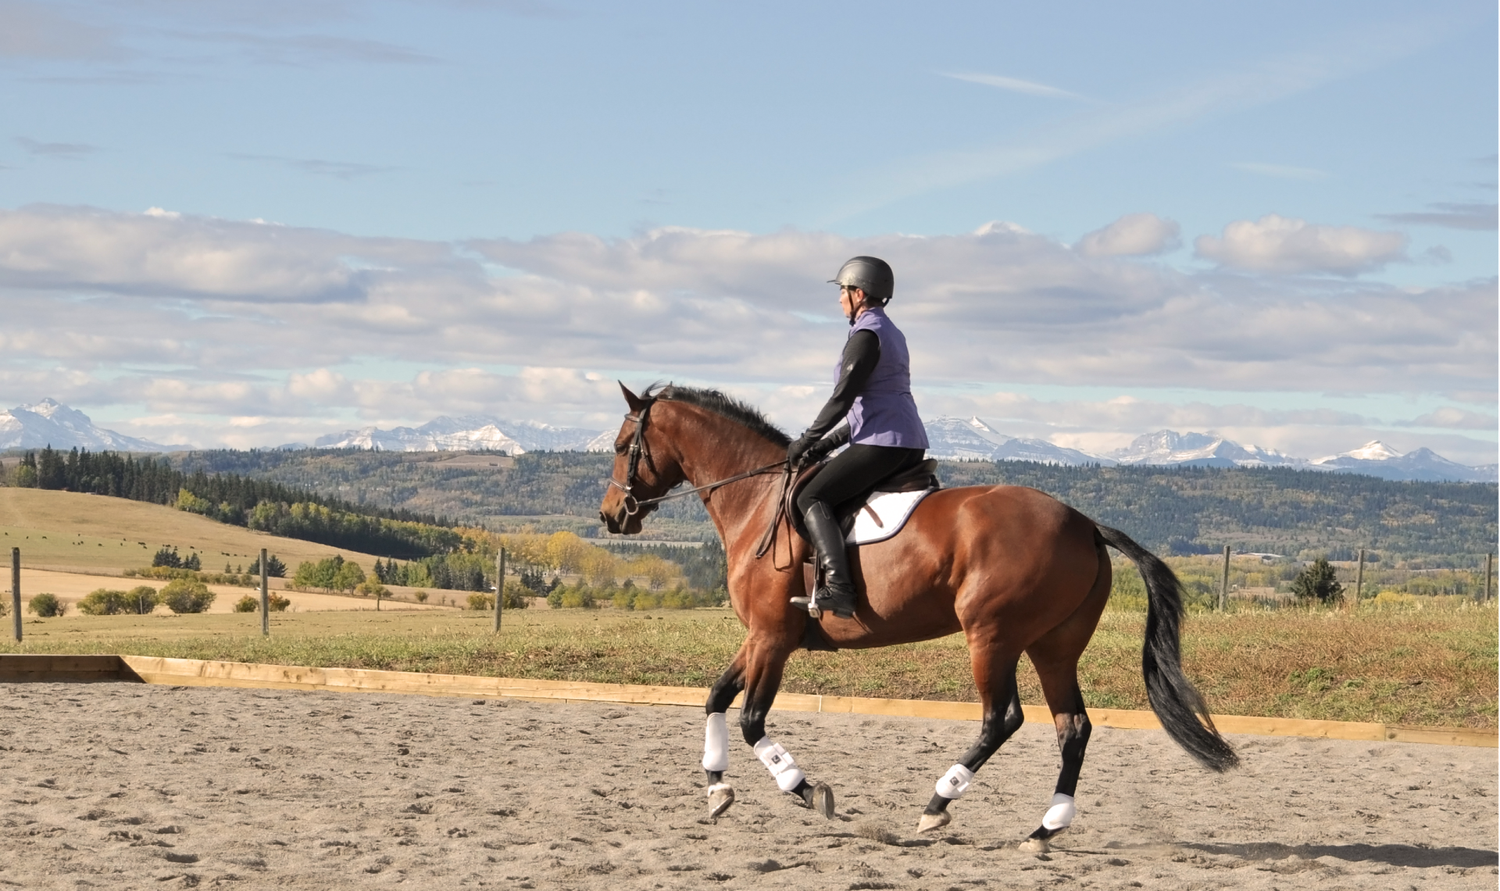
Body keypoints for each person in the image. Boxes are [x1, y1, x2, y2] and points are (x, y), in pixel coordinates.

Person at [785, 256, 928, 618]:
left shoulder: (866, 335)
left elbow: (843, 398)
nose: (839, 299)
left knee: (810, 495)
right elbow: (871, 405)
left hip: (884, 442)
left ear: (859, 294)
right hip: (903, 437)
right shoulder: (890, 331)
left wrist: (805, 440)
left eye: (843, 291)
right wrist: (826, 445)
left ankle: (840, 589)